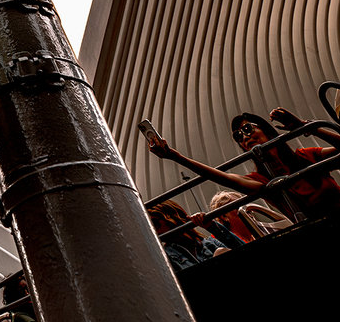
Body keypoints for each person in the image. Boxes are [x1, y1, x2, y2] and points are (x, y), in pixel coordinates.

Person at [139, 114, 340, 222]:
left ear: (267, 130)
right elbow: (223, 177)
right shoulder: (260, 179)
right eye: (238, 136)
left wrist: (303, 126)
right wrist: (176, 157)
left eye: (247, 129)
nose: (244, 137)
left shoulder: (306, 156)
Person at [145, 199, 226, 271]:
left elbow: (237, 246)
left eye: (155, 224)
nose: (155, 231)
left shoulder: (210, 243)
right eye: (151, 227)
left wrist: (210, 226)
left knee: (221, 251)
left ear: (172, 217)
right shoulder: (165, 256)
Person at [205, 189, 293, 245]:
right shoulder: (220, 242)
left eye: (245, 205)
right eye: (238, 207)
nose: (246, 210)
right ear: (224, 217)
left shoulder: (262, 230)